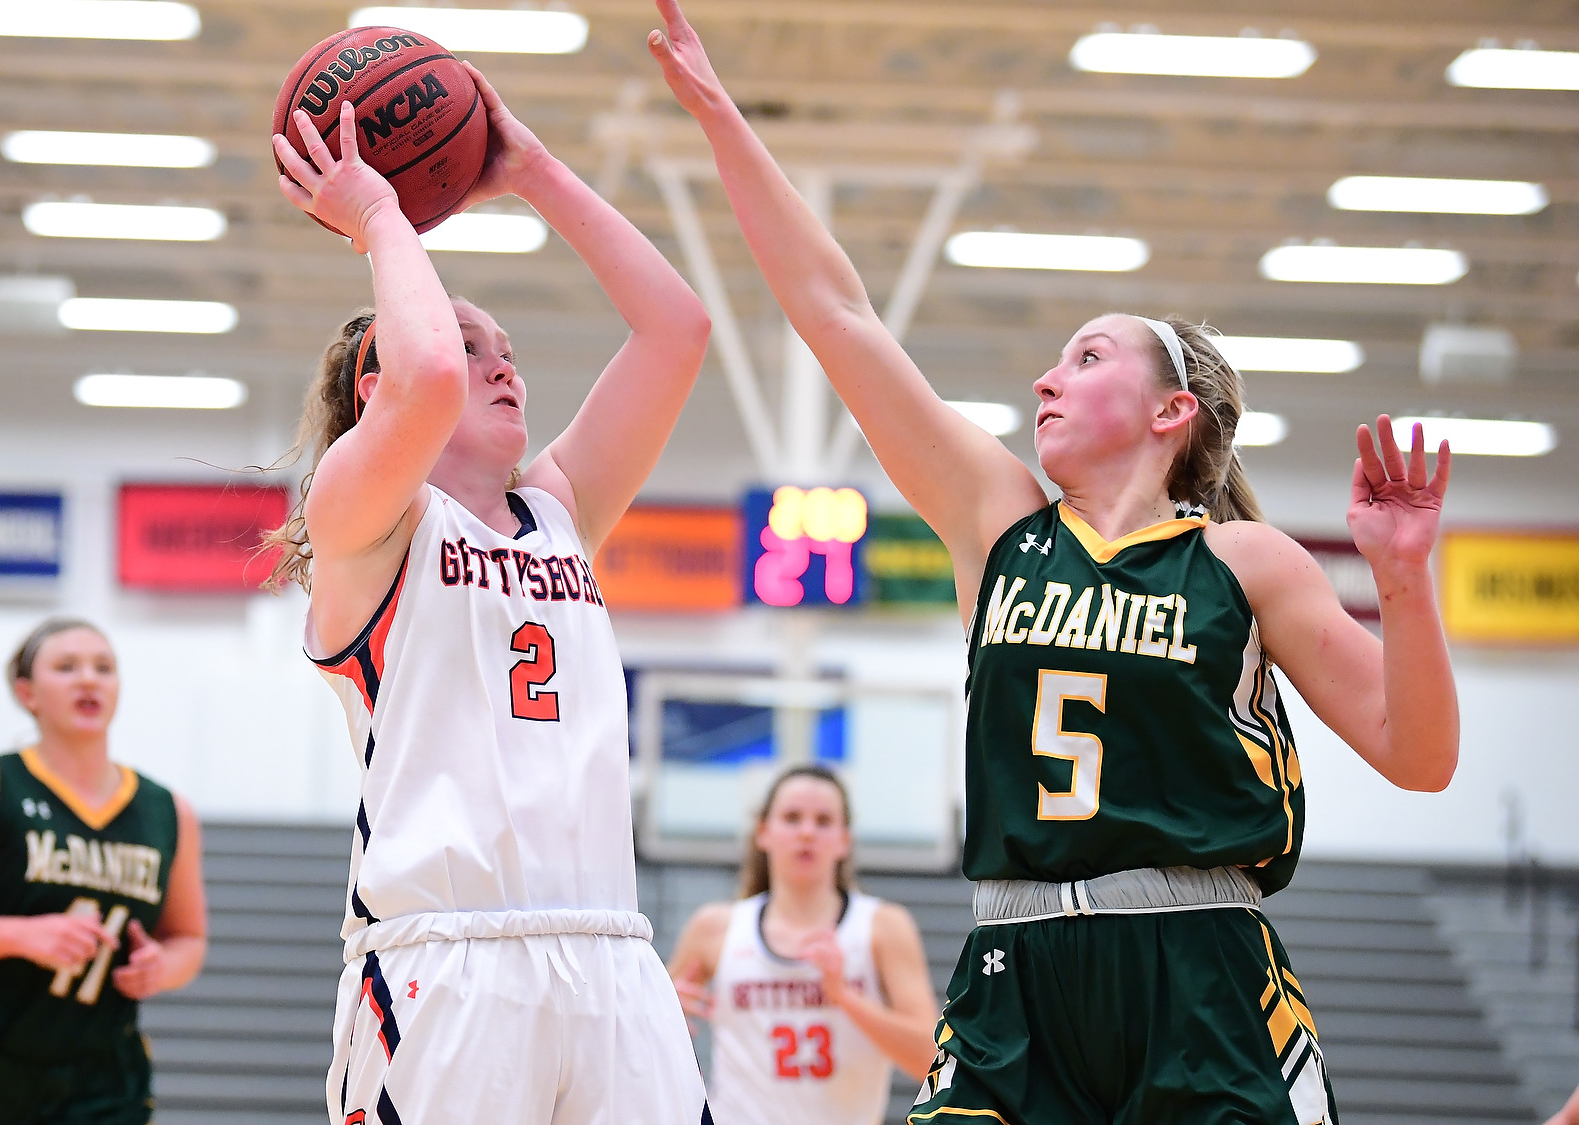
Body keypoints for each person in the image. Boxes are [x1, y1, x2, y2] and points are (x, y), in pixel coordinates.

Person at [645, 4, 1461, 1123]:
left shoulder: (1243, 562)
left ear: (1169, 409)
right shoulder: (999, 522)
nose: (1044, 380)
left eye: (1082, 357)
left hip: (1196, 969)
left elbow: (1416, 759)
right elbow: (834, 313)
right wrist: (719, 116)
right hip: (1011, 968)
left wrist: (1403, 580)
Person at [266, 63, 714, 1125]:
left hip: (610, 953)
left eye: (506, 351)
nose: (495, 365)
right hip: (443, 965)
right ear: (368, 392)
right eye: (472, 345)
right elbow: (422, 376)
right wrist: (378, 214)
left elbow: (676, 330)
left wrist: (535, 171)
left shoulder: (559, 508)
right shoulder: (363, 518)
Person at [0, 618, 207, 1125]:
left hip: (104, 1076)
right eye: (66, 667)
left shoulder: (166, 810)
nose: (89, 679)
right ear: (27, 693)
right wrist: (22, 935)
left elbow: (189, 940)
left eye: (104, 668)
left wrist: (161, 967)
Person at [668, 765, 940, 1125]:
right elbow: (642, 1045)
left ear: (844, 839)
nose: (807, 832)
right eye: (792, 818)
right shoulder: (715, 928)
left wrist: (843, 995)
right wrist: (663, 1013)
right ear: (763, 832)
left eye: (823, 820)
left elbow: (932, 1061)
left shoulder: (882, 927)